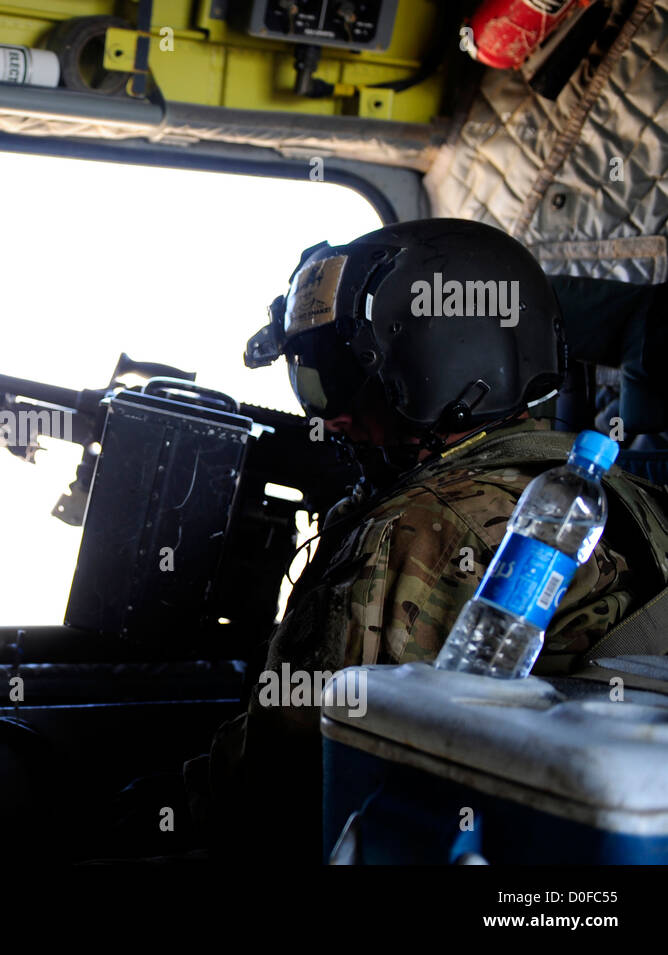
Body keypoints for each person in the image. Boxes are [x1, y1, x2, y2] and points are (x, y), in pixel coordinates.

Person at [206, 218, 668, 862]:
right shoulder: (617, 491)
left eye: (336, 378)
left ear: (439, 363)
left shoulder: (421, 525)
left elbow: (275, 783)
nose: (328, 416)